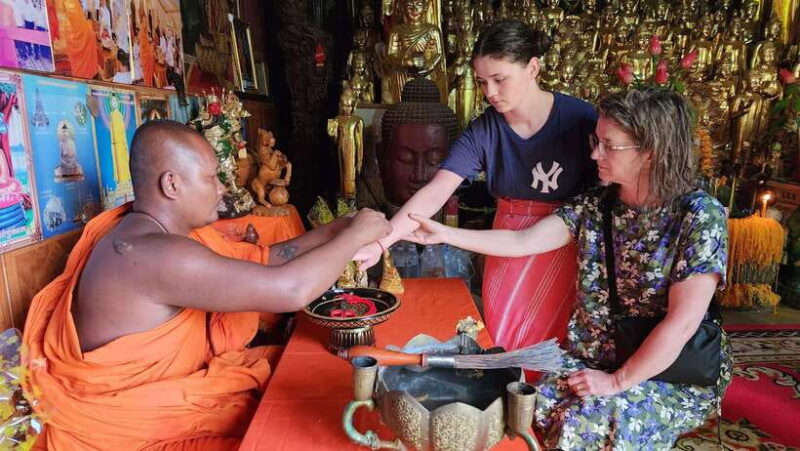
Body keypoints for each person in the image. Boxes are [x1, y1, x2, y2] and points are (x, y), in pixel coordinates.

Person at [22, 120, 391, 450]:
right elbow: (288, 291)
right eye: (212, 177)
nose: (223, 189)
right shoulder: (153, 254)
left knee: (304, 387)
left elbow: (267, 258)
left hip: (169, 402)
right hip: (133, 433)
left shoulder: (159, 234)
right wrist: (355, 237)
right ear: (171, 183)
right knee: (303, 426)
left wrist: (340, 228)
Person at [407, 88, 732, 449]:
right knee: (519, 405)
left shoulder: (699, 217)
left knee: (588, 426)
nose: (595, 153)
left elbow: (682, 323)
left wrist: (616, 382)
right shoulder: (597, 205)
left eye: (610, 145)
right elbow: (522, 243)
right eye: (597, 141)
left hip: (665, 371)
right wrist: (444, 234)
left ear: (650, 152)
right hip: (589, 359)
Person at [357, 19, 597, 354]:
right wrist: (381, 242)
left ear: (532, 68)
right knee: (505, 340)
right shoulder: (486, 130)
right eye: (483, 82)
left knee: (557, 343)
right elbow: (436, 191)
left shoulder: (582, 120)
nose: (490, 93)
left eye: (500, 80)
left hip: (563, 241)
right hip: (503, 243)